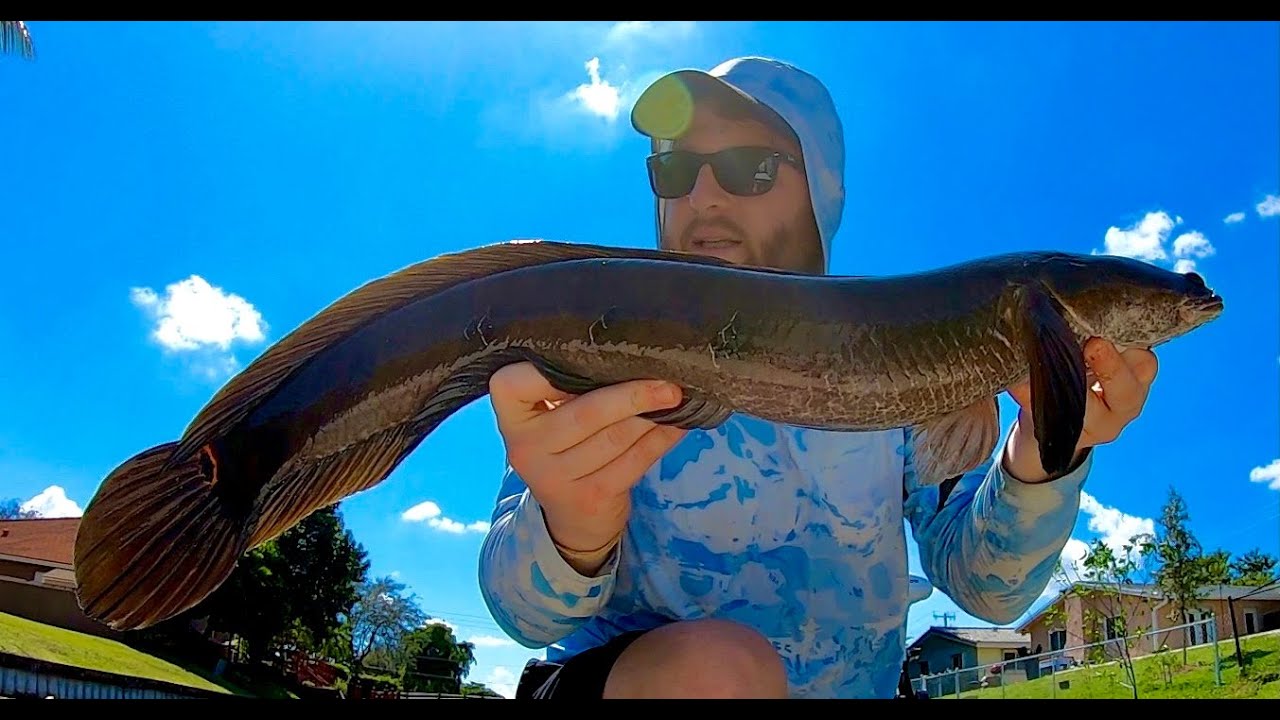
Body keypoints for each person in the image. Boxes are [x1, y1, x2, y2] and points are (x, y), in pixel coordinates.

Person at [477, 56, 1158, 699]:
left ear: (821, 190)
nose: (703, 194)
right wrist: (572, 526)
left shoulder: (918, 351)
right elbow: (526, 617)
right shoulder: (601, 349)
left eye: (747, 167)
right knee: (719, 673)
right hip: (623, 679)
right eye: (676, 168)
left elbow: (989, 591)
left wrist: (1045, 449)